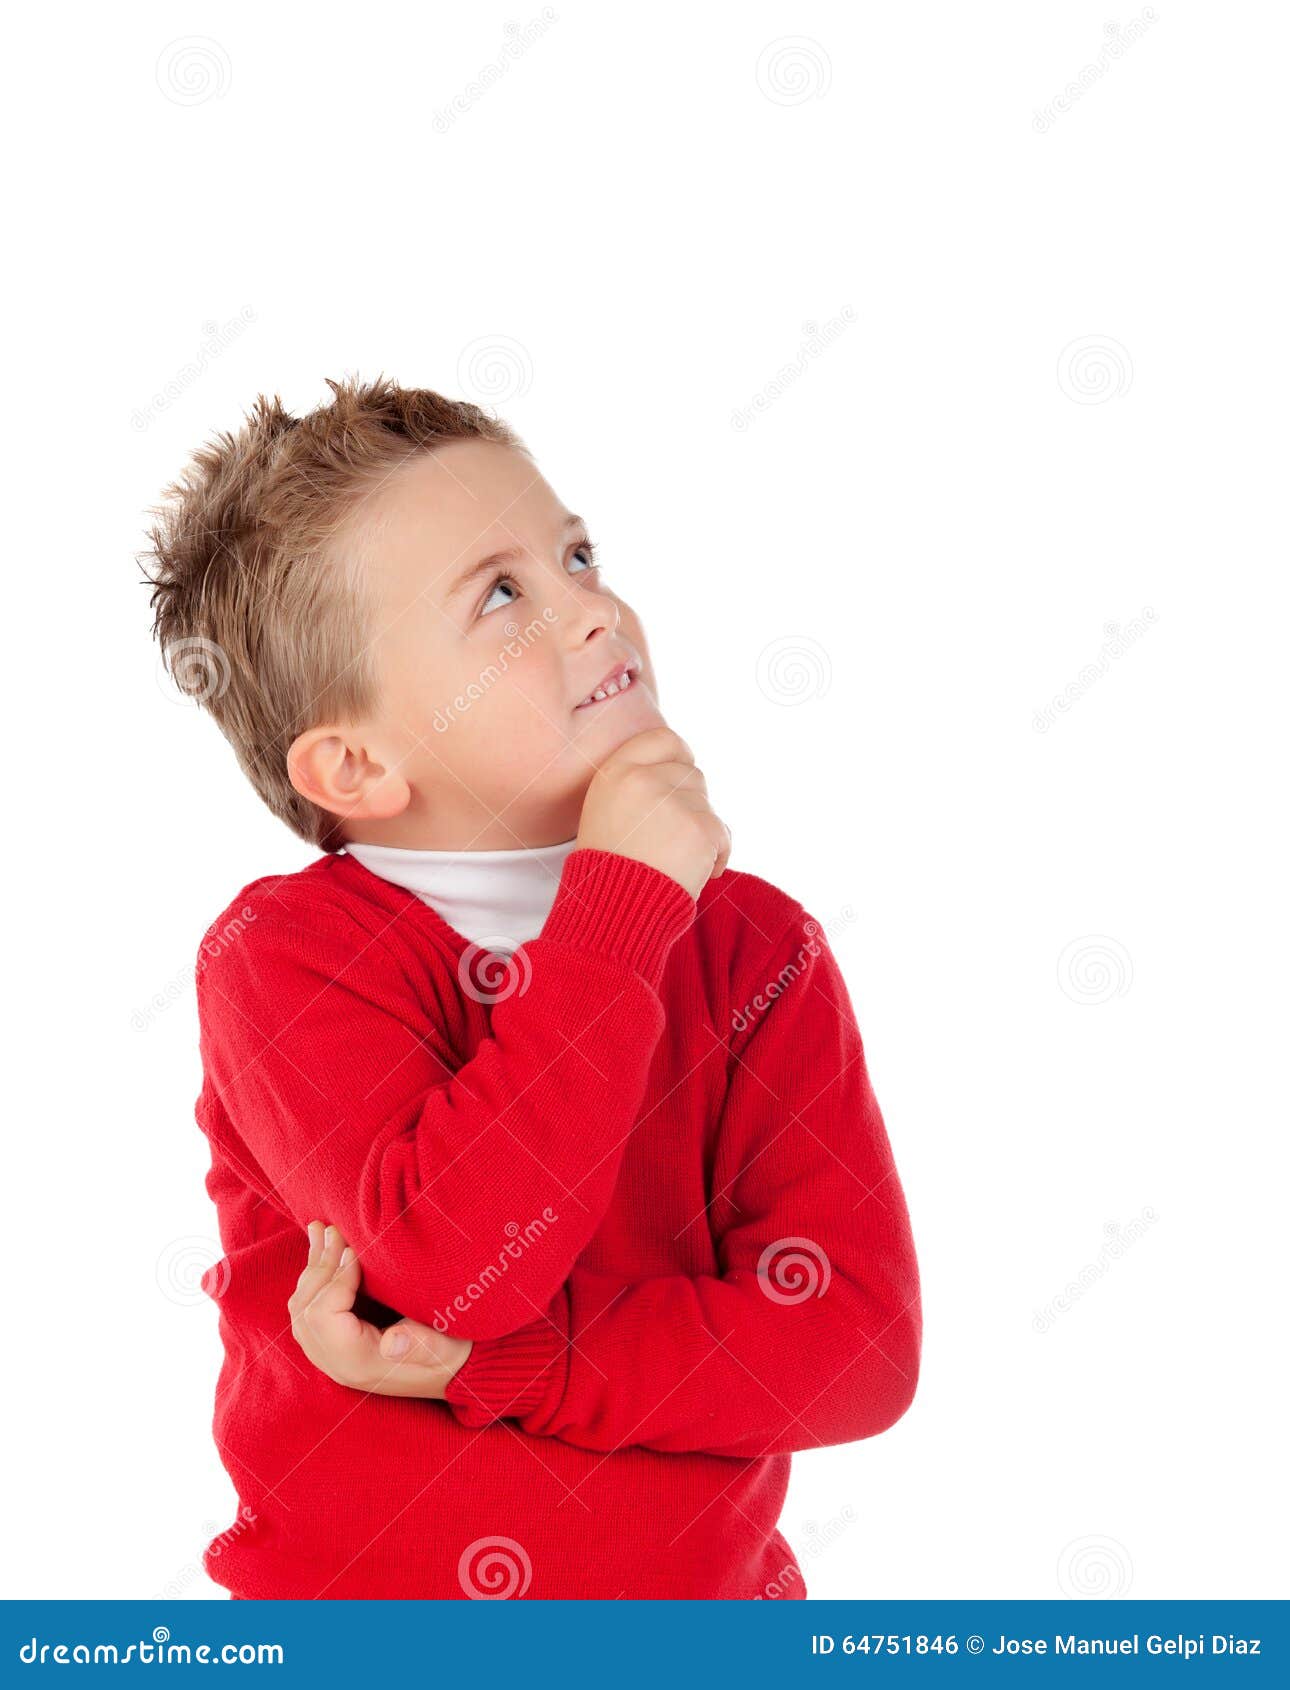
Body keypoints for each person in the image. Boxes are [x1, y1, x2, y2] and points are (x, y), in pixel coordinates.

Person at [142, 375, 922, 1600]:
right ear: (356, 762)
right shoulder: (282, 958)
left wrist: (522, 1367)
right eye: (504, 594)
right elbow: (458, 1267)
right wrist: (618, 907)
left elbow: (854, 1348)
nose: (594, 612)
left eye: (577, 555)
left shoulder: (760, 950)